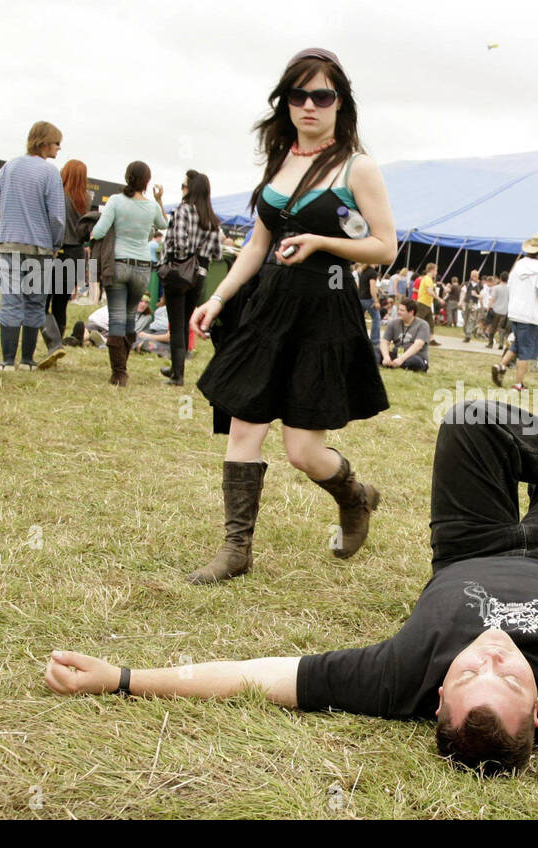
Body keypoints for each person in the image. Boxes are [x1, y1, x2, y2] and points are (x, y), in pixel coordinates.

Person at [45, 401, 538, 773]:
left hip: (468, 545)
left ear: (438, 698)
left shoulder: (402, 674)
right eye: (508, 676)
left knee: (470, 419)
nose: (491, 652)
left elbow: (260, 677)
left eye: (469, 672)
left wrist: (123, 679)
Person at [188, 47, 396, 580]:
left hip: (324, 313)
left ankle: (354, 496)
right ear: (285, 102)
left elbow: (384, 247)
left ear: (339, 102)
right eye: (298, 95)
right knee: (244, 428)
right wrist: (217, 298)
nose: (309, 105)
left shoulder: (357, 167)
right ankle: (236, 551)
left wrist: (321, 242)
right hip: (268, 309)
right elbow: (256, 247)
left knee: (303, 450)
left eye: (321, 96)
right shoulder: (279, 162)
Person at [0, 121, 67, 372]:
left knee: (11, 300)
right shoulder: (50, 173)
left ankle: (7, 360)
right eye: (56, 143)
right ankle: (27, 360)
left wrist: (13, 205)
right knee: (34, 303)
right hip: (41, 248)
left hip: (10, 243)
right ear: (44, 143)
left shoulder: (10, 166)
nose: (59, 148)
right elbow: (57, 217)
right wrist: (56, 243)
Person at [88, 161, 170, 385]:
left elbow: (100, 231)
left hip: (118, 264)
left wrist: (91, 235)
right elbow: (164, 224)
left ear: (127, 177)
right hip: (142, 267)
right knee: (129, 317)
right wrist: (159, 199)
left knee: (116, 317)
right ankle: (122, 365)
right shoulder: (151, 207)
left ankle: (119, 372)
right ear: (147, 181)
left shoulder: (116, 201)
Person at [158, 169, 222, 386]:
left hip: (179, 271)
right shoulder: (212, 219)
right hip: (200, 274)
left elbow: (179, 244)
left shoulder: (183, 210)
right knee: (184, 321)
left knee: (176, 323)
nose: (182, 189)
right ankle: (177, 367)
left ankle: (178, 374)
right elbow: (217, 253)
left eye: (184, 185)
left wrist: (182, 258)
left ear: (190, 189)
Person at [490, 233, 538, 394]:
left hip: (515, 312)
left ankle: (501, 366)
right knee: (526, 350)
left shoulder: (519, 265)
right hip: (529, 314)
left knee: (517, 344)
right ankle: (518, 384)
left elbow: (510, 285)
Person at [44, 159, 92, 357]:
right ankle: (57, 344)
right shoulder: (86, 199)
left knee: (43, 301)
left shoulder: (57, 195)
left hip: (56, 251)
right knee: (61, 304)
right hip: (76, 254)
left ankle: (52, 343)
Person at [380, 298, 430, 371]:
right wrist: (386, 356)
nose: (398, 312)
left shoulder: (423, 325)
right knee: (374, 350)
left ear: (411, 312)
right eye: (399, 309)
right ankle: (391, 363)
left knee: (415, 361)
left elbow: (418, 345)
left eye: (402, 310)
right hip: (397, 355)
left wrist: (401, 359)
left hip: (414, 356)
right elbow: (384, 342)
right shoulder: (393, 323)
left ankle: (394, 364)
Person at [358, 261, 382, 347]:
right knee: (376, 318)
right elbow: (372, 288)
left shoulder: (363, 272)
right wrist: (376, 301)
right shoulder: (372, 273)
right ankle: (375, 341)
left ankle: (360, 337)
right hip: (368, 299)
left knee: (359, 319)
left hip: (361, 298)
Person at [486, 271, 510, 348]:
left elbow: (493, 298)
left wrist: (489, 306)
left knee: (493, 327)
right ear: (508, 279)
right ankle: (501, 343)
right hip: (505, 311)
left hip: (496, 310)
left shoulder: (496, 288)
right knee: (502, 328)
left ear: (500, 278)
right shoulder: (510, 289)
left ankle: (490, 343)